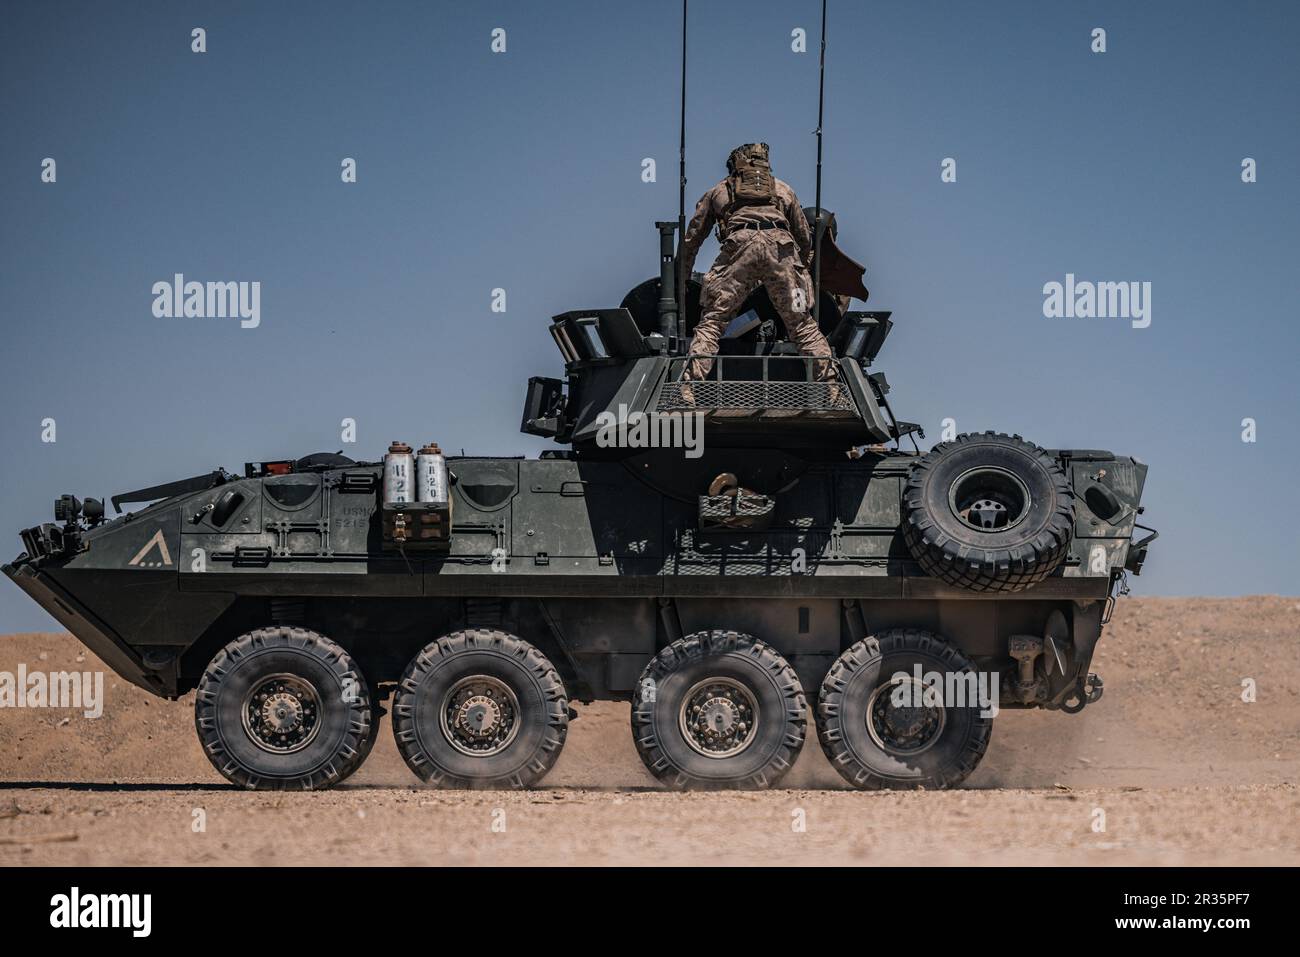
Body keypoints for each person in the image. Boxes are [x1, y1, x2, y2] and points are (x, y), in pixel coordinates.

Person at [677, 143, 834, 386]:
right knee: (802, 324)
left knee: (713, 322)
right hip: (781, 250)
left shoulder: (718, 191)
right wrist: (799, 275)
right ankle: (832, 387)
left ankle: (688, 387)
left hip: (739, 250)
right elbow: (804, 239)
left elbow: (692, 240)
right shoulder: (784, 190)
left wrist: (682, 281)